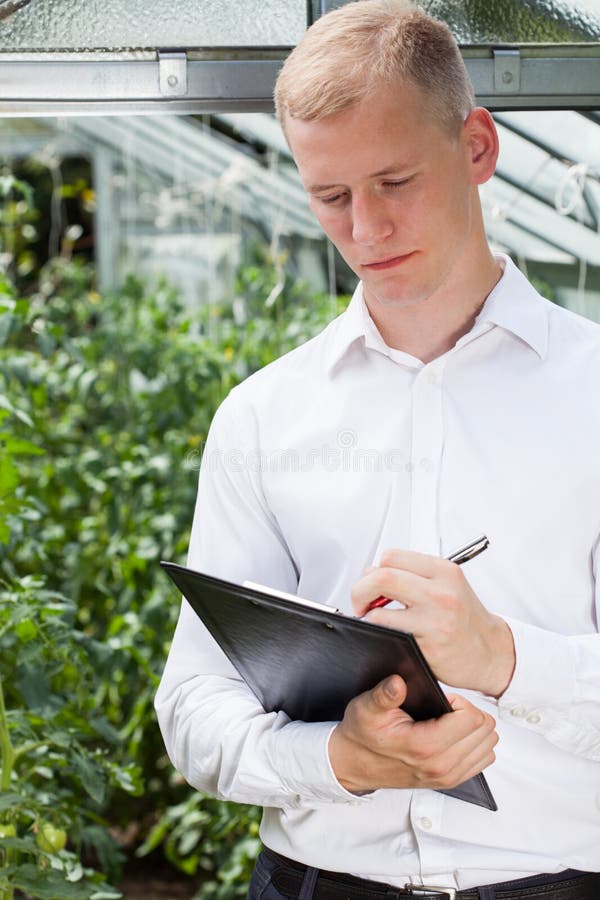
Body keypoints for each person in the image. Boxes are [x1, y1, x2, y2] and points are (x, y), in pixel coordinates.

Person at [155, 2, 600, 897]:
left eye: (394, 181)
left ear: (477, 146)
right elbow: (194, 707)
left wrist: (503, 658)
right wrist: (340, 757)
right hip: (317, 880)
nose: (365, 229)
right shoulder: (262, 418)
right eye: (331, 195)